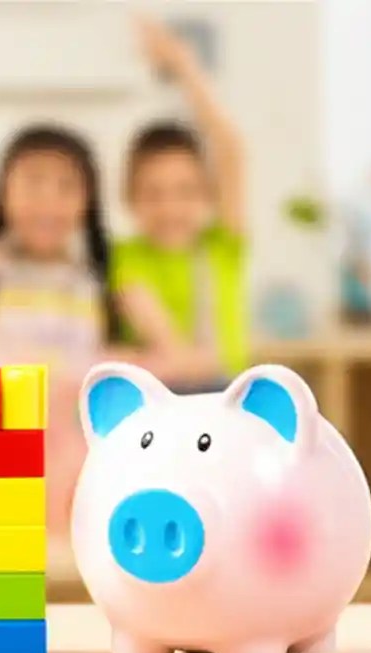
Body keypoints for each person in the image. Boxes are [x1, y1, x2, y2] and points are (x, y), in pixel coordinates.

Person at [0, 124, 114, 529]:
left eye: (65, 187)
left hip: (70, 437)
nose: (48, 202)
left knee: (67, 530)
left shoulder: (91, 278)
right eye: (33, 185)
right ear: (4, 194)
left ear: (87, 202)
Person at [113, 16, 248, 385]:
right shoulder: (122, 257)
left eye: (185, 191)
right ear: (129, 198)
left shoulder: (221, 247)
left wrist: (184, 65)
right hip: (156, 398)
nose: (170, 208)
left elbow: (230, 151)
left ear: (207, 194)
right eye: (153, 194)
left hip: (223, 395)